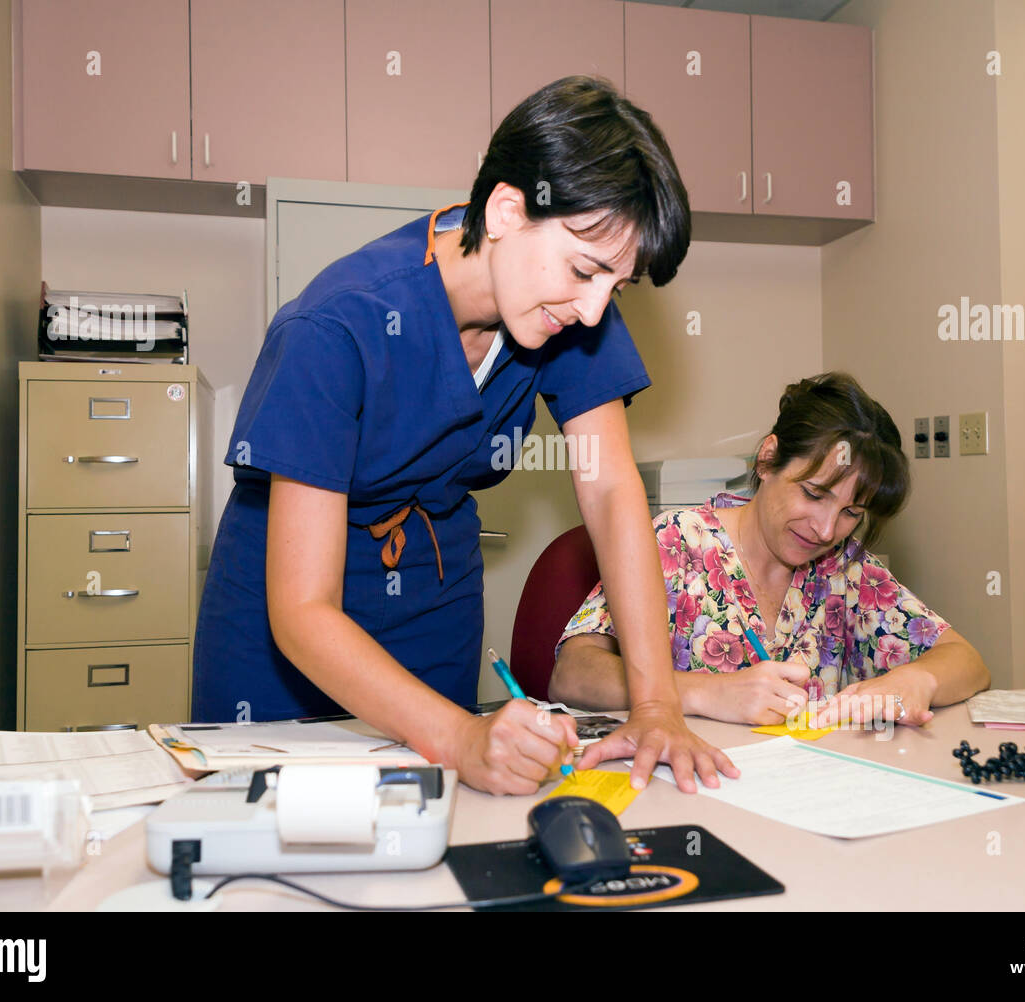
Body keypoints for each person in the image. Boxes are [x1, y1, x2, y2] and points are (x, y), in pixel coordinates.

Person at [192, 76, 738, 795]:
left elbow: (608, 487)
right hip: (289, 611)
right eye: (585, 270)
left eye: (618, 285)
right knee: (268, 830)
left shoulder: (570, 305)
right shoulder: (337, 325)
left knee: (433, 827)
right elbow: (302, 609)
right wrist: (460, 735)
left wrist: (658, 706)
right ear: (508, 208)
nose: (595, 309)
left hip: (429, 587)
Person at [551, 372, 991, 730]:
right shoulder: (676, 542)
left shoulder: (844, 570)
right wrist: (707, 693)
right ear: (768, 459)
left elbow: (968, 661)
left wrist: (917, 679)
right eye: (814, 494)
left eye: (851, 513)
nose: (825, 530)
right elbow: (572, 675)